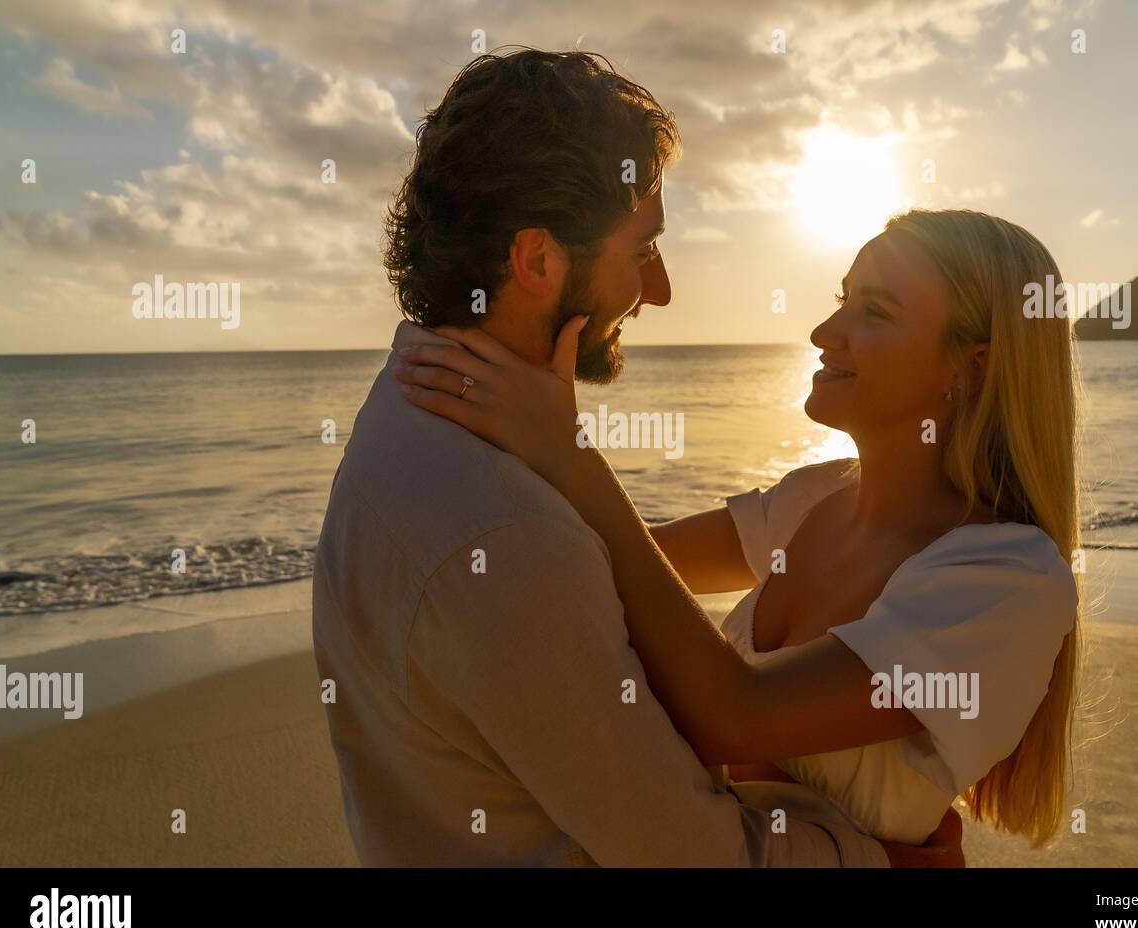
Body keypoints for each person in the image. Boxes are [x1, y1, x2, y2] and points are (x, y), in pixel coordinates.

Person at [312, 48, 962, 866]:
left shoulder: (399, 417)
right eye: (642, 249)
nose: (657, 291)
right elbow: (696, 857)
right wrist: (881, 860)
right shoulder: (506, 534)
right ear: (539, 261)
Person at [393, 208, 1084, 849]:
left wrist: (571, 454)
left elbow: (739, 715)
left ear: (972, 368)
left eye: (872, 311)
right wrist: (507, 426)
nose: (824, 333)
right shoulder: (816, 497)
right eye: (841, 298)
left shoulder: (1006, 580)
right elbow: (611, 559)